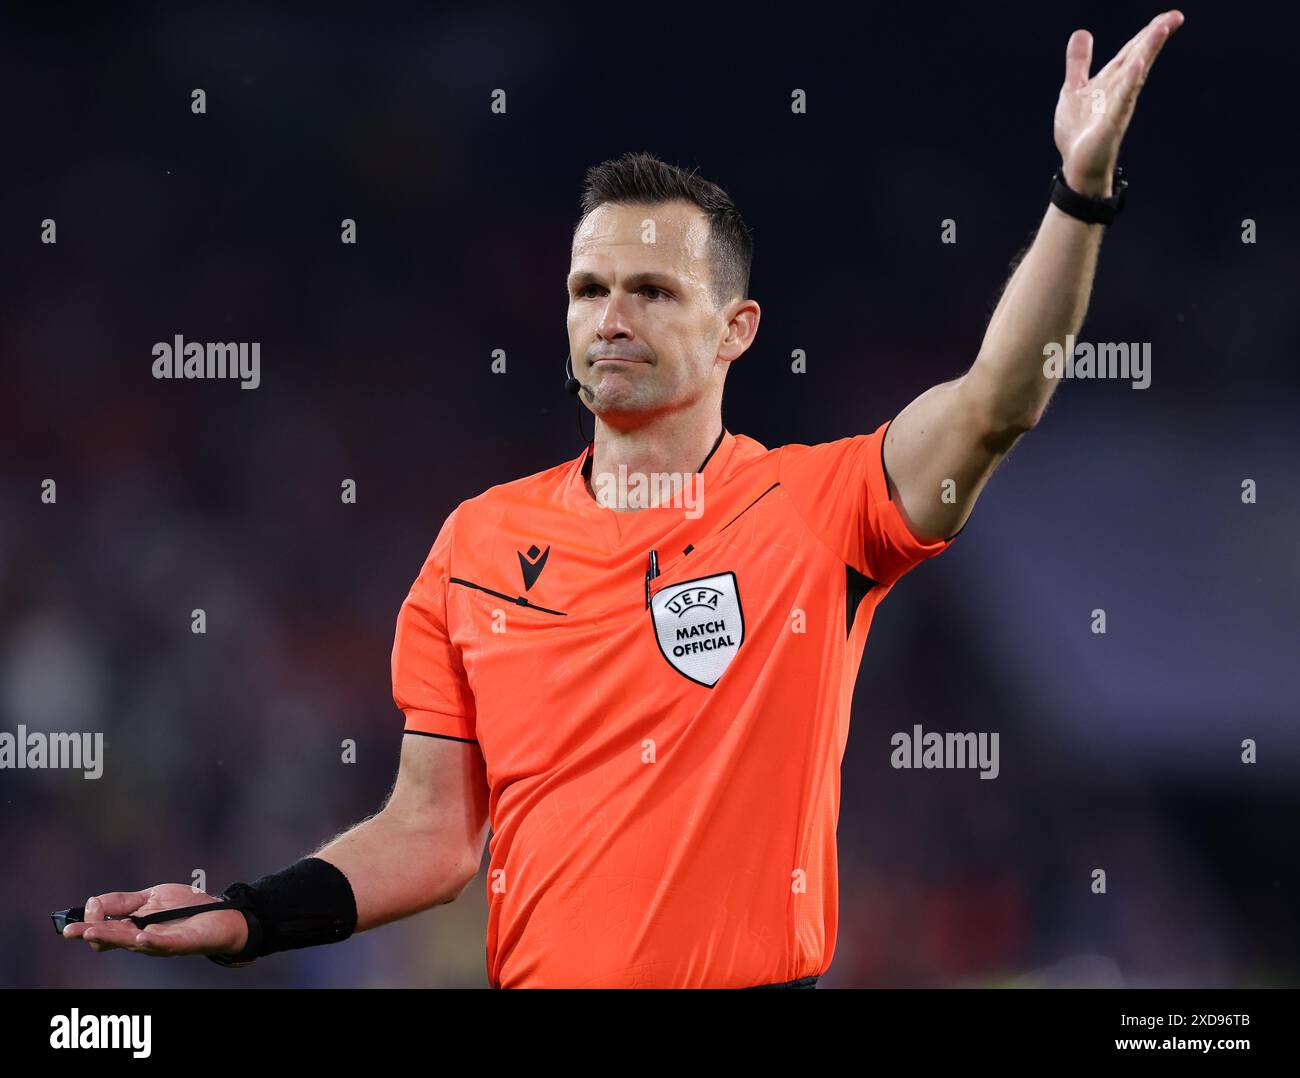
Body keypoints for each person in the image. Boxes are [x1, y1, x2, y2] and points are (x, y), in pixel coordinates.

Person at [62, 10, 1184, 987]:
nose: (611, 316)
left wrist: (1076, 196)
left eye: (652, 289)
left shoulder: (815, 505)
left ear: (734, 329)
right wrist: (251, 913)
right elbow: (432, 834)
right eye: (589, 288)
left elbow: (994, 402)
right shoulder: (477, 543)